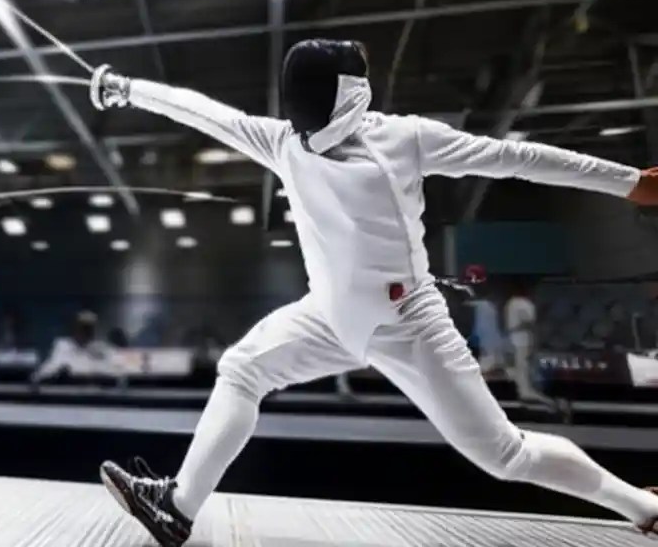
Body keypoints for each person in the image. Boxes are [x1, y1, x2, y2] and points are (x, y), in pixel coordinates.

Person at [88, 40, 658, 546]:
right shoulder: (285, 142)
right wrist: (127, 88)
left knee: (506, 455)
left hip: (409, 322)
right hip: (329, 316)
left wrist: (629, 182)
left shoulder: (402, 139)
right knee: (242, 369)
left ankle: (643, 505)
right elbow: (201, 112)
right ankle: (177, 509)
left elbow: (517, 158)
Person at [505, 278, 556, 408]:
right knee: (523, 364)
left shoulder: (511, 303)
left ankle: (524, 389)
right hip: (522, 338)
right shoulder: (524, 303)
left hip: (515, 337)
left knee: (520, 364)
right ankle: (526, 391)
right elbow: (532, 321)